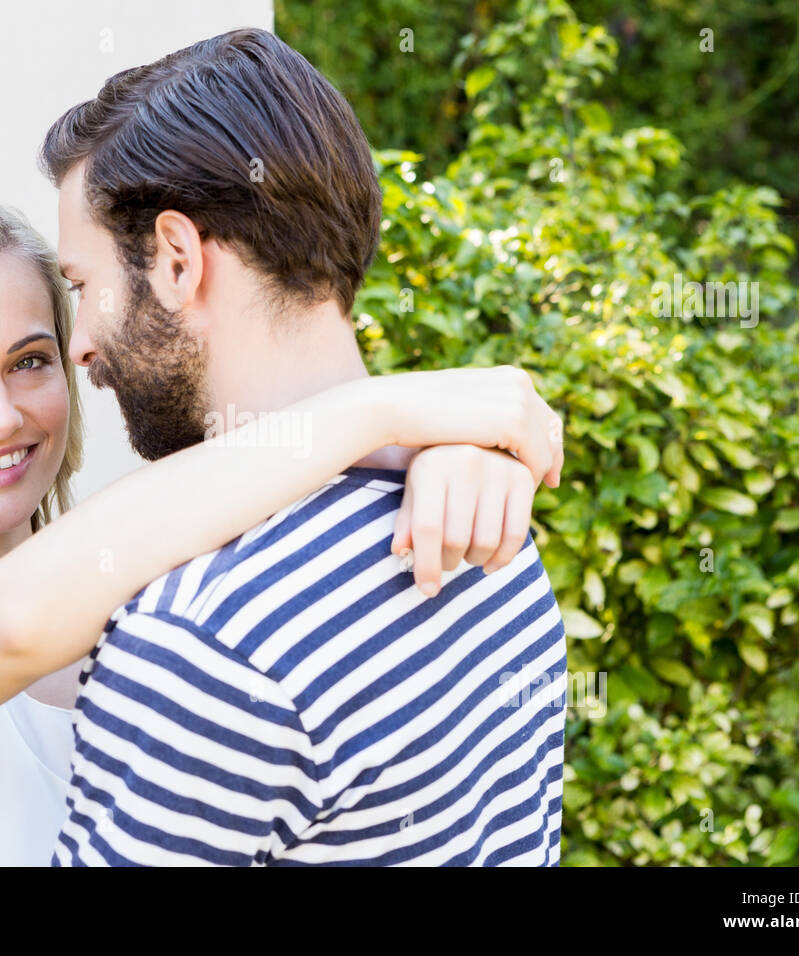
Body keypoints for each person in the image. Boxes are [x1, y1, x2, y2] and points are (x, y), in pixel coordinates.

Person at [0, 190, 564, 866]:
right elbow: (5, 623)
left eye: (30, 360)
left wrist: (446, 455)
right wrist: (388, 409)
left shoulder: (157, 600)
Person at [41, 27, 568, 866]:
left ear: (177, 260)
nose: (78, 345)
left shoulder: (203, 642)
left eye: (82, 285)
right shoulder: (490, 530)